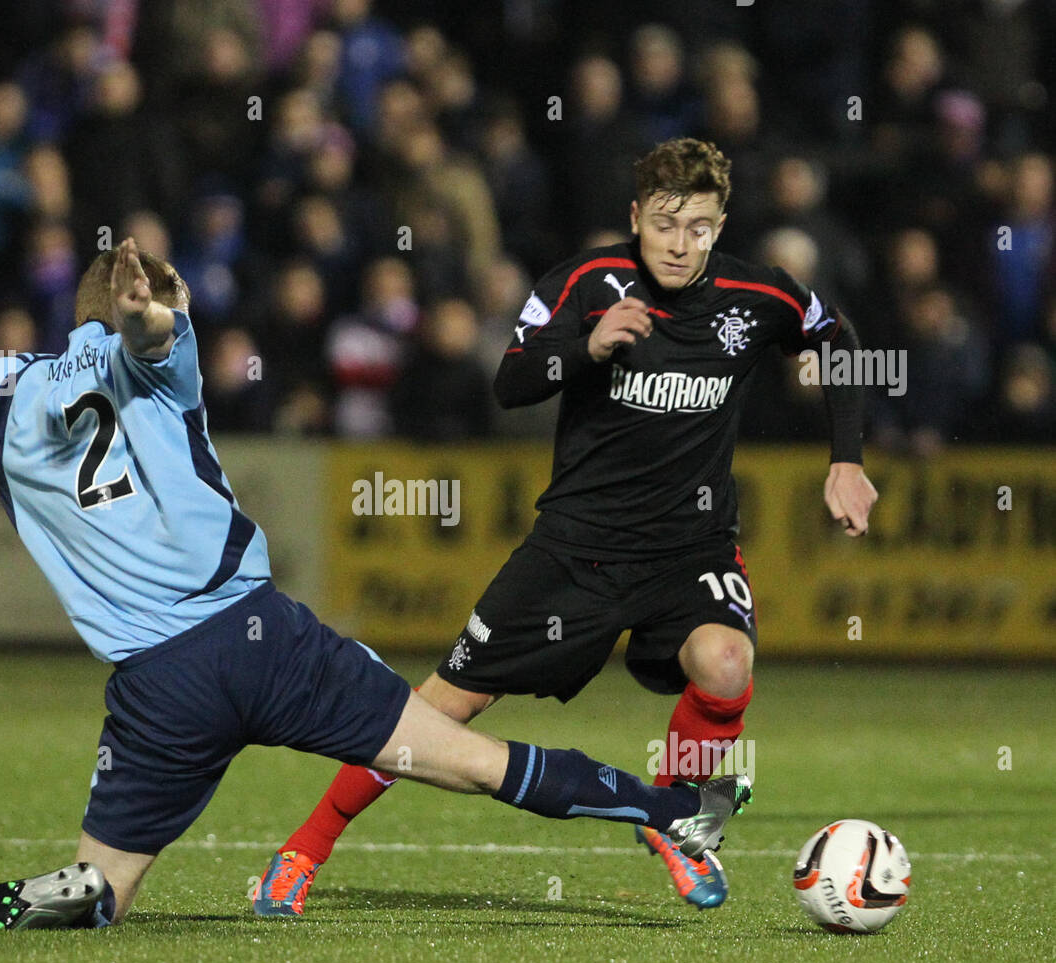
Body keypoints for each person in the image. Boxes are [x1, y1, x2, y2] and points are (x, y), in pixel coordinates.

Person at [0, 223, 752, 930]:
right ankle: (660, 805)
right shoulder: (155, 355)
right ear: (159, 299)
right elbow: (150, 336)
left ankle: (89, 889)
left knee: (108, 887)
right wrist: (145, 315)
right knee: (474, 762)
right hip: (264, 640)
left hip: (159, 690)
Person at [255, 138, 875, 917]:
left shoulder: (758, 296)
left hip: (691, 548)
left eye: (700, 227)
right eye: (665, 223)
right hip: (576, 549)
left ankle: (673, 818)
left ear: (722, 226)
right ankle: (303, 850)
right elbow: (512, 381)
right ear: (634, 218)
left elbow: (838, 336)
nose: (681, 244)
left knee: (725, 662)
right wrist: (584, 347)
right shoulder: (586, 283)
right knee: (442, 709)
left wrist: (846, 459)